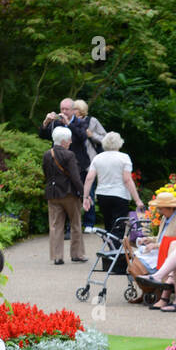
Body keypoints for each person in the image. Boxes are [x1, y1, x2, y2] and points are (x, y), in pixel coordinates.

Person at [82, 131, 145, 237]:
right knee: (119, 225)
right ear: (119, 143)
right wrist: (137, 200)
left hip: (102, 195)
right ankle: (116, 251)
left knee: (108, 225)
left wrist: (85, 197)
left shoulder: (98, 157)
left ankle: (111, 249)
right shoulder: (124, 157)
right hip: (120, 195)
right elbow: (127, 180)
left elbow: (89, 178)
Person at [43, 125, 85, 264]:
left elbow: (46, 175)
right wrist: (84, 193)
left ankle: (57, 257)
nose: (71, 142)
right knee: (76, 224)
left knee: (55, 226)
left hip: (53, 194)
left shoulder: (47, 154)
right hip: (69, 194)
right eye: (69, 140)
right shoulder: (69, 155)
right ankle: (77, 254)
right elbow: (75, 177)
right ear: (63, 141)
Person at [132, 191, 176, 274]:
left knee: (138, 262)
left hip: (169, 256)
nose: (158, 211)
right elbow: (161, 238)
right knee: (133, 257)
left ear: (170, 207)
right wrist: (149, 239)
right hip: (159, 253)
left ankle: (153, 282)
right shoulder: (165, 217)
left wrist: (155, 245)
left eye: (160, 208)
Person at [38, 97, 91, 177]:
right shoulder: (56, 122)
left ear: (73, 110)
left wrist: (69, 124)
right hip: (59, 164)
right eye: (62, 109)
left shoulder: (81, 122)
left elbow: (83, 137)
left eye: (67, 109)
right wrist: (46, 122)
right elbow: (43, 136)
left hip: (78, 165)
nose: (64, 112)